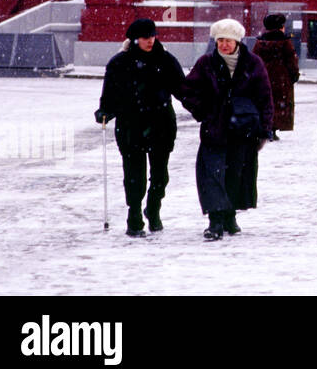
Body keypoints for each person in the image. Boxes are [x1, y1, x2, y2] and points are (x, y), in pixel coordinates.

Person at [182, 18, 273, 241]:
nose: (224, 45)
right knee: (212, 175)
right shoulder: (206, 63)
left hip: (243, 130)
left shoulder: (253, 64)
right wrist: (203, 111)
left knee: (235, 175)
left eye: (228, 41)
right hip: (215, 129)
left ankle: (230, 215)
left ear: (238, 42)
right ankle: (215, 221)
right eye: (220, 40)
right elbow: (188, 91)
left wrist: (265, 128)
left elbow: (265, 97)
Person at [94, 19, 185, 236]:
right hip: (130, 125)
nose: (150, 41)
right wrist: (105, 111)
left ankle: (153, 208)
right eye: (145, 37)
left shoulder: (166, 60)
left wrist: (201, 106)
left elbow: (183, 89)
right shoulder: (119, 63)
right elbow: (110, 96)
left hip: (161, 124)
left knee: (160, 176)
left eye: (153, 36)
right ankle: (134, 214)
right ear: (134, 39)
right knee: (135, 175)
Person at [253, 13, 299, 140]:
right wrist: (294, 76)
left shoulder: (260, 42)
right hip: (281, 79)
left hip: (263, 78)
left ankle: (266, 127)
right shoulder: (285, 42)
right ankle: (273, 128)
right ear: (280, 27)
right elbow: (292, 61)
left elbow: (254, 60)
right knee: (279, 103)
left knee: (265, 102)